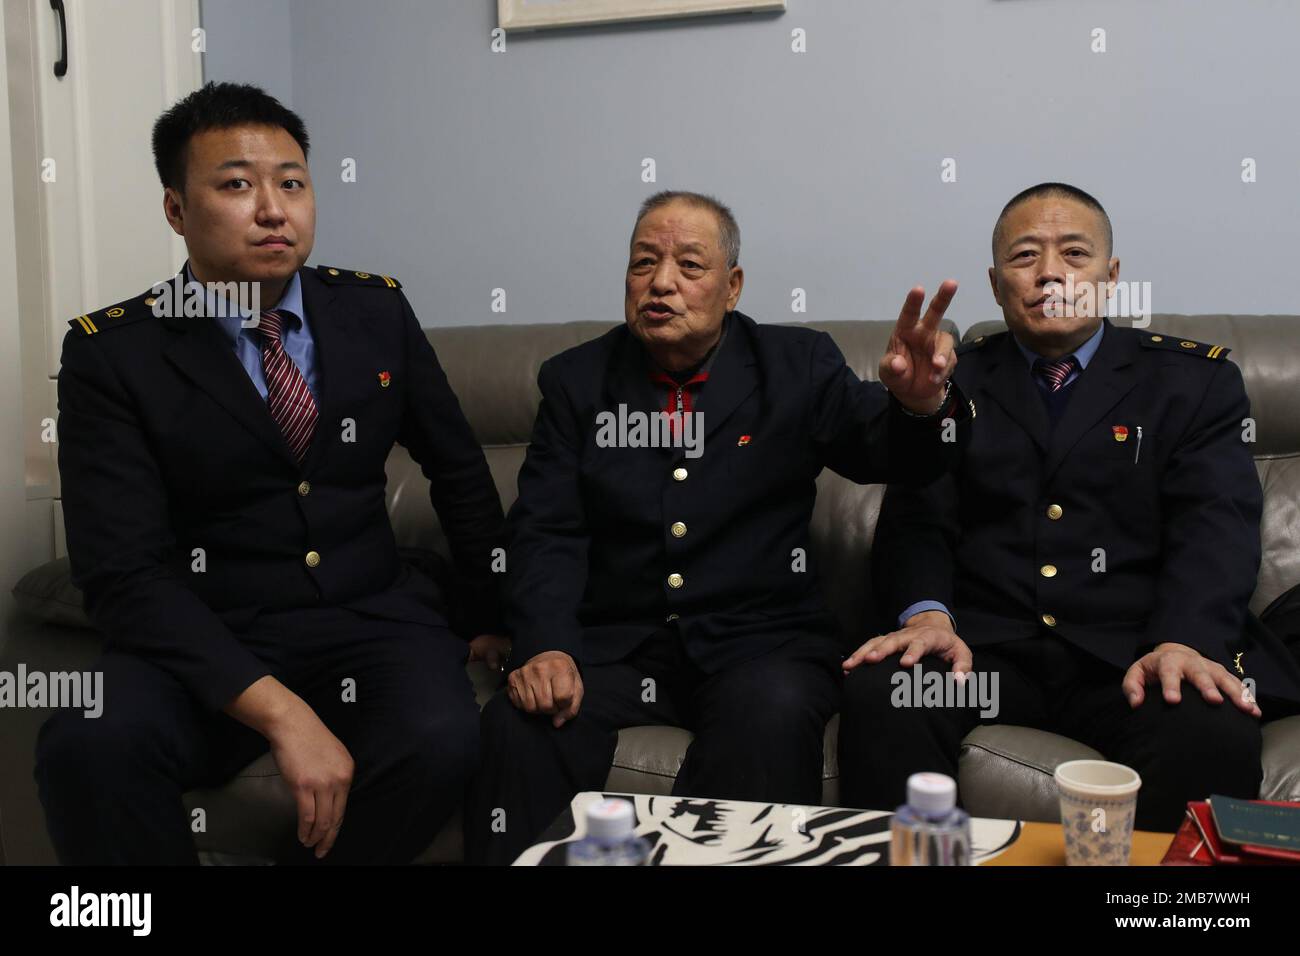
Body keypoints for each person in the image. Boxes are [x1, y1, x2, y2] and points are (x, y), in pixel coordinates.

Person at [35, 82, 509, 864]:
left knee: (442, 738)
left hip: (369, 620)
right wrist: (284, 716)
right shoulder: (113, 352)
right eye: (235, 184)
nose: (273, 208)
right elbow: (121, 572)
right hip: (208, 631)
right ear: (176, 210)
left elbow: (458, 471)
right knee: (86, 742)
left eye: (291, 182)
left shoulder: (375, 312)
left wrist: (496, 608)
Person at [466, 190, 971, 864]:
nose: (661, 282)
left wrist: (918, 406)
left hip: (761, 644)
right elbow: (546, 530)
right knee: (520, 725)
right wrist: (547, 644)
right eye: (643, 263)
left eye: (689, 266)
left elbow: (890, 454)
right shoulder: (576, 382)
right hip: (616, 645)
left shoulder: (797, 365)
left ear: (732, 287)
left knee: (767, 721)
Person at [838, 182, 1300, 830]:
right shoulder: (950, 380)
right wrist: (927, 619)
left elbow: (1214, 523)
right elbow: (919, 520)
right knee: (888, 693)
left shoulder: (1190, 381)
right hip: (986, 654)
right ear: (997, 286)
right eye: (1026, 256)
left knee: (1206, 723)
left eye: (1074, 254)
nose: (1051, 271)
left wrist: (1186, 640)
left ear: (1109, 277)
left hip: (1134, 653)